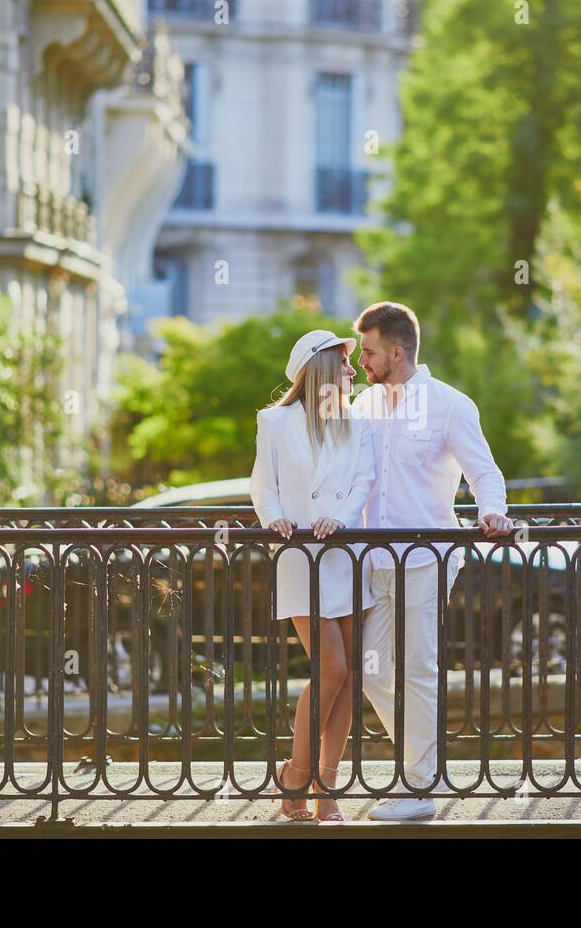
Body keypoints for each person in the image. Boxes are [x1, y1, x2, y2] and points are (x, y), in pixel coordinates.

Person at [351, 302, 513, 821]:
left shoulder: (449, 405)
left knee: (418, 667)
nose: (360, 362)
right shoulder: (362, 406)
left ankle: (418, 787)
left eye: (369, 351)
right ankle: (424, 765)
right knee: (370, 669)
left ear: (396, 352)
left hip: (427, 557)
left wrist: (491, 513)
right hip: (369, 559)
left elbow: (485, 474)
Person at [249, 329, 375, 822]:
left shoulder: (357, 423)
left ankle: (326, 786)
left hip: (345, 553)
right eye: (344, 363)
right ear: (320, 369)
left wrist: (341, 516)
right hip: (300, 557)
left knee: (349, 679)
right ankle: (297, 775)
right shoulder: (275, 421)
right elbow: (263, 483)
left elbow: (363, 479)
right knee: (332, 669)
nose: (351, 371)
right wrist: (273, 518)